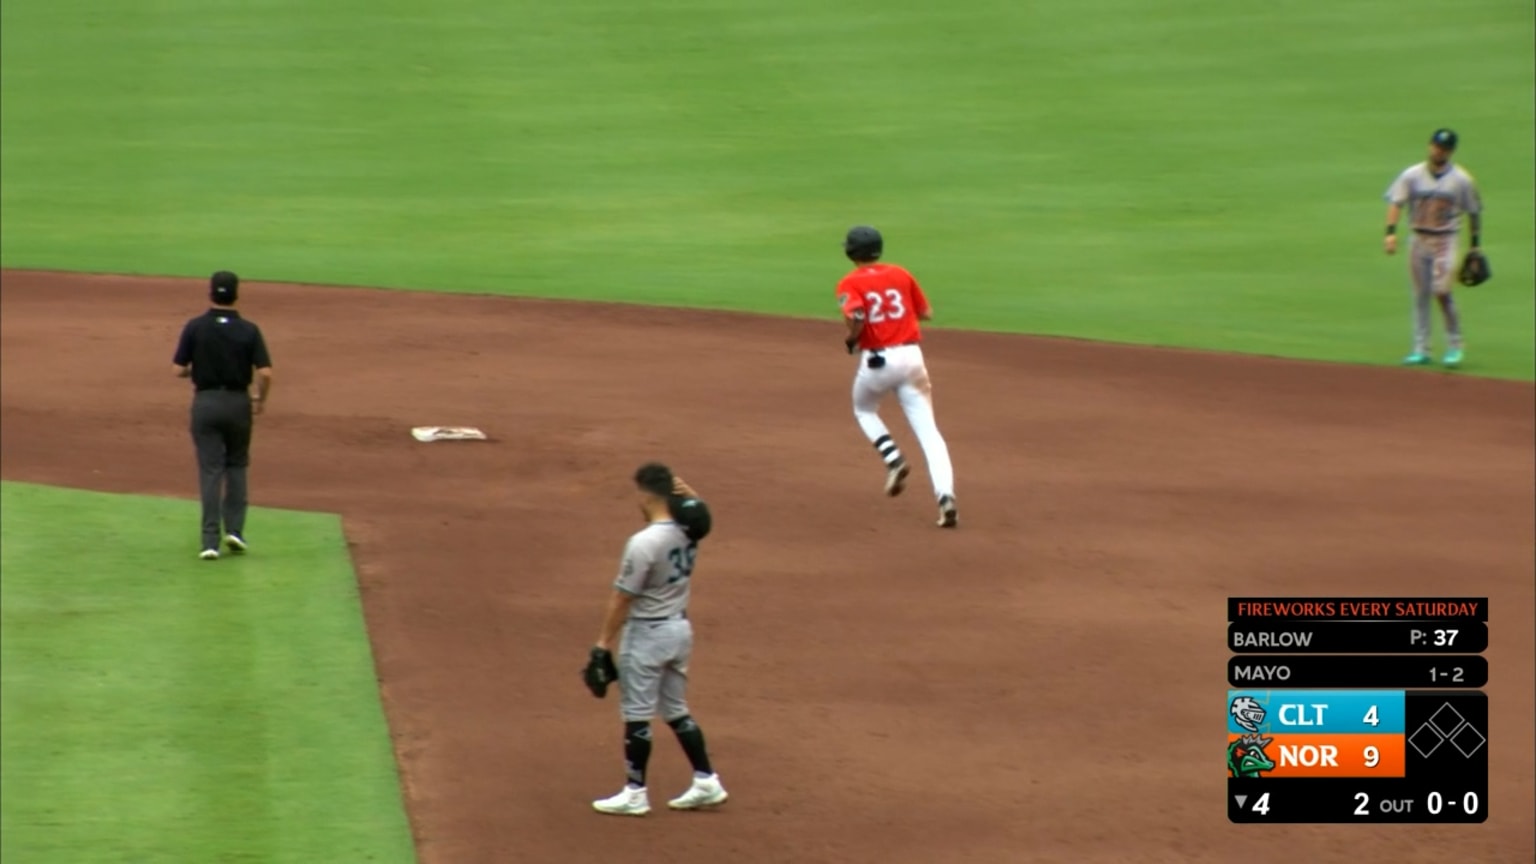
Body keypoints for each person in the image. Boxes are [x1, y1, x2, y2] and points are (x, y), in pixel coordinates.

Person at [587, 463, 727, 816]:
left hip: (647, 634)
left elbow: (622, 597)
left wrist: (602, 643)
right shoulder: (688, 530)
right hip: (679, 631)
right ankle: (706, 780)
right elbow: (703, 516)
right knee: (676, 711)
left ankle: (635, 793)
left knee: (637, 715)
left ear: (645, 496)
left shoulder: (643, 542)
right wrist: (691, 492)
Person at [835, 225, 958, 528]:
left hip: (878, 361)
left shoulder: (849, 283)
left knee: (864, 409)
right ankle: (946, 499)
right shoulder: (901, 274)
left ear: (851, 253)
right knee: (930, 433)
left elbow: (857, 315)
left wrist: (852, 339)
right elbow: (926, 312)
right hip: (912, 358)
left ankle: (893, 459)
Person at [171, 271, 273, 559]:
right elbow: (265, 373)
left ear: (211, 293)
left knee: (211, 470)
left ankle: (209, 542)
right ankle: (235, 532)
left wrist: (201, 369)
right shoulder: (249, 330)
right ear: (236, 295)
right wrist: (260, 399)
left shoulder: (195, 327)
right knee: (237, 465)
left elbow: (178, 369)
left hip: (205, 403)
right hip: (238, 403)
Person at [1383, 128, 1484, 368]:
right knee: (1420, 295)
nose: (1440, 151)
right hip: (1418, 238)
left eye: (1445, 148)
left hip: (1445, 240)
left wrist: (1475, 248)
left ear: (1451, 151)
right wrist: (1390, 233)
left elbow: (1474, 212)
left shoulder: (1462, 180)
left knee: (1442, 291)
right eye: (1437, 146)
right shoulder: (1412, 175)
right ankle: (1421, 349)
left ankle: (1455, 345)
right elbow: (1397, 202)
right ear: (1430, 146)